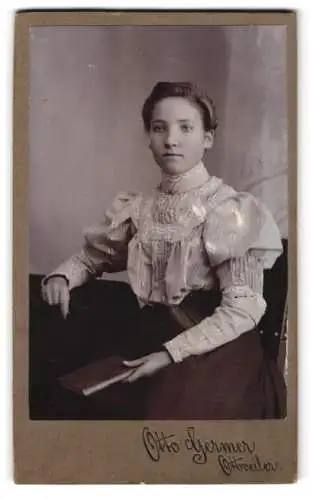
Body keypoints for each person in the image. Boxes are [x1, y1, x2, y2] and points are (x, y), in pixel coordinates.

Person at [41, 81, 286, 419]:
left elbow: (243, 310)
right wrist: (61, 277)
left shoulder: (229, 210)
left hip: (215, 349)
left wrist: (169, 354)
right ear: (150, 138)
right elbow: (92, 259)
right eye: (160, 128)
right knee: (73, 396)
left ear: (207, 139)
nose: (171, 140)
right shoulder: (139, 208)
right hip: (151, 336)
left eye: (186, 128)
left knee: (162, 413)